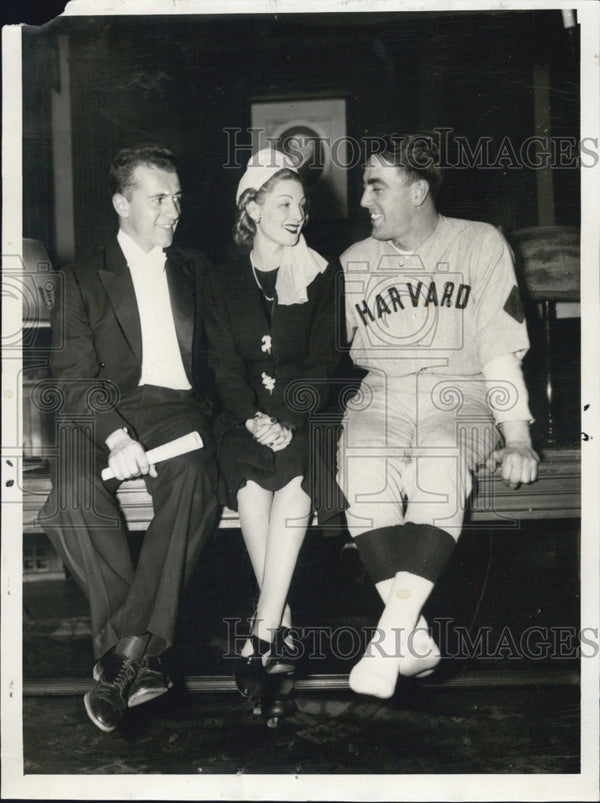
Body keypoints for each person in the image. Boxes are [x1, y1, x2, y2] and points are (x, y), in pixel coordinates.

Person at [338, 133, 539, 699]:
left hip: (462, 392)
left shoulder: (479, 243)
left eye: (377, 186)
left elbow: (499, 348)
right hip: (381, 394)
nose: (364, 200)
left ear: (419, 189)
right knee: (362, 465)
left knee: (440, 463)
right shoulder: (354, 262)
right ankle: (414, 638)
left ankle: (387, 646)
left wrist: (516, 435)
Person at [39, 144, 219, 732]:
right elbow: (71, 375)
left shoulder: (196, 270)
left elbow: (221, 364)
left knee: (195, 476)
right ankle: (140, 655)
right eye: (159, 198)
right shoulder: (81, 277)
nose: (174, 210)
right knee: (69, 495)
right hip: (98, 410)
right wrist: (116, 436)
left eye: (177, 198)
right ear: (122, 204)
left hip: (175, 410)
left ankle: (123, 658)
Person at [204, 148, 344, 719]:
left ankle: (263, 631)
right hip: (242, 416)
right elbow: (222, 366)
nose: (297, 214)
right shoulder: (220, 278)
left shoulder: (321, 273)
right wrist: (252, 418)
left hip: (305, 412)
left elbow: (324, 361)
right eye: (284, 202)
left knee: (292, 479)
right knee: (249, 485)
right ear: (252, 207)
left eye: (302, 205)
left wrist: (286, 417)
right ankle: (278, 630)